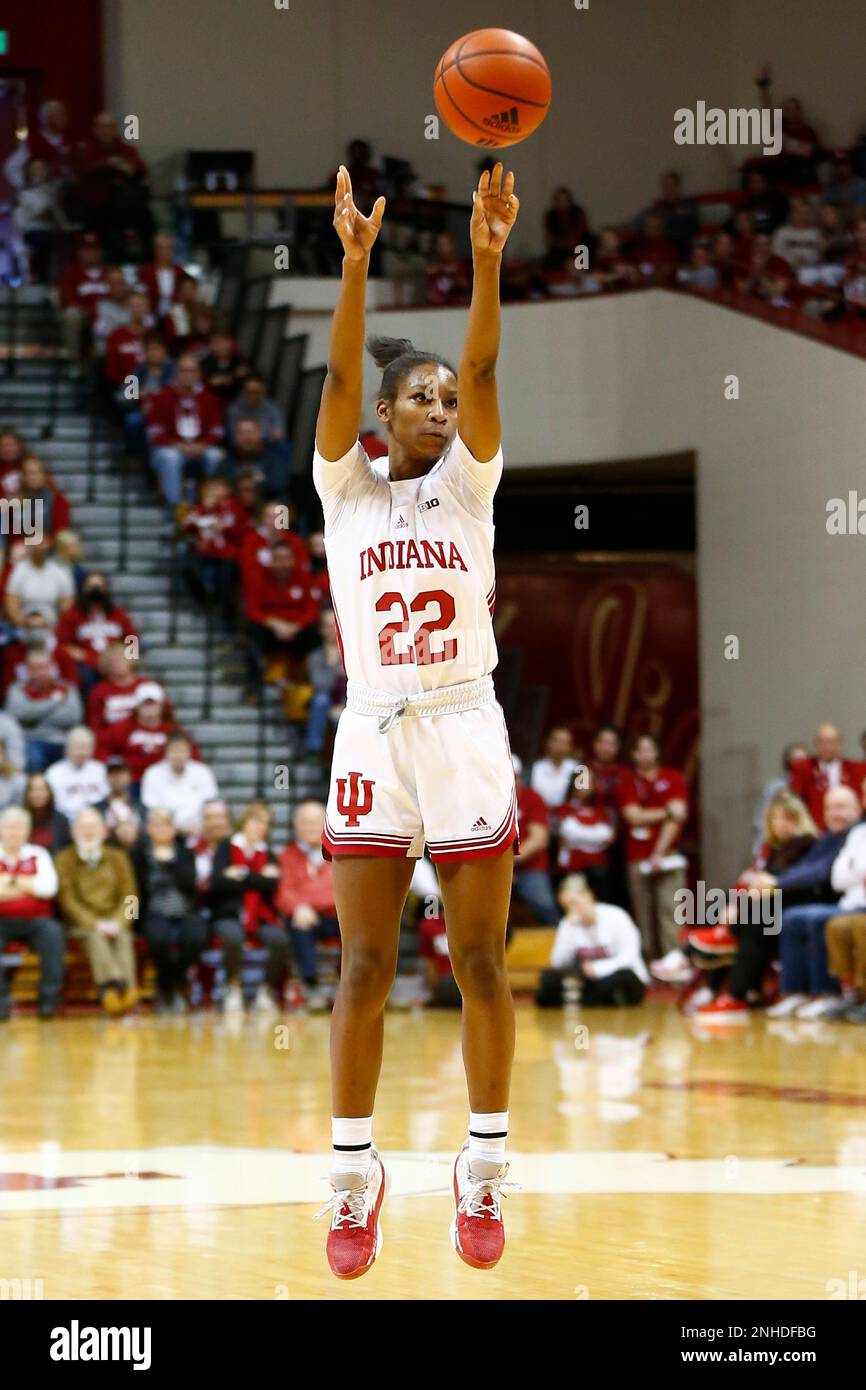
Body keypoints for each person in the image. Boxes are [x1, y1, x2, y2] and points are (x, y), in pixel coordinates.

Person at [311, 162, 521, 1278]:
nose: (439, 404)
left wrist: (486, 257)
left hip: (462, 725)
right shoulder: (344, 490)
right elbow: (342, 371)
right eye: (421, 395)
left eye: (447, 397)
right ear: (384, 415)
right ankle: (354, 1180)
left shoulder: (468, 491)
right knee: (362, 962)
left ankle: (481, 1167)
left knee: (480, 959)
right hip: (373, 729)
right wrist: (352, 268)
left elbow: (483, 359)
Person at [617, 733, 689, 979]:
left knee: (671, 909)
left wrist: (659, 851)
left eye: (650, 749)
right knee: (643, 913)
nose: (645, 755)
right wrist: (666, 811)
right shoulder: (626, 780)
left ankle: (676, 962)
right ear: (633, 754)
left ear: (657, 752)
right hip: (638, 856)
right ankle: (647, 965)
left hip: (668, 856)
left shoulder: (673, 778)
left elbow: (677, 817)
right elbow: (632, 816)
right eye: (640, 750)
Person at [55, 807, 138, 1015]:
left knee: (123, 937)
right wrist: (95, 923)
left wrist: (121, 922)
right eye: (83, 827)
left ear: (104, 831)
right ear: (73, 832)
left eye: (93, 827)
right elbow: (67, 900)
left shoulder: (118, 857)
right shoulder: (63, 859)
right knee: (96, 937)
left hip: (116, 919)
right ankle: (120, 985)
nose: (88, 832)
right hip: (82, 923)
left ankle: (113, 990)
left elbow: (132, 896)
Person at [209, 802, 283, 1015]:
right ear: (245, 821)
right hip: (229, 913)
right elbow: (218, 882)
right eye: (256, 820)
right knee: (233, 937)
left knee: (279, 940)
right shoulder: (226, 847)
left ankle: (265, 990)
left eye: (265, 823)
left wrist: (241, 874)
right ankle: (233, 987)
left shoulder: (268, 852)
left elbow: (273, 885)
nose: (260, 826)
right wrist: (258, 877)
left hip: (261, 915)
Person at [535, 873, 648, 1008]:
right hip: (587, 980)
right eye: (566, 907)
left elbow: (630, 956)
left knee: (620, 980)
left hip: (617, 975)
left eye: (574, 903)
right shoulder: (568, 924)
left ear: (588, 895)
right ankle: (588, 999)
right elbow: (557, 963)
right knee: (548, 981)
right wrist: (570, 931)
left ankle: (578, 999)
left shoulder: (616, 916)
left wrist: (598, 968)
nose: (572, 910)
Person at [131, 807, 205, 1013]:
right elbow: (133, 889)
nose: (162, 829)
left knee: (196, 937)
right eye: (157, 825)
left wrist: (168, 863)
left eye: (166, 825)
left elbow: (189, 883)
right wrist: (132, 919)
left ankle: (174, 981)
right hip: (153, 911)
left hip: (185, 911)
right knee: (159, 939)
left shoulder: (185, 853)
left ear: (174, 829)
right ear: (148, 829)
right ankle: (166, 986)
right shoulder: (138, 854)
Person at [0, 806, 64, 1020]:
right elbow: (38, 887)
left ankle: (48, 1002)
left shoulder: (39, 854)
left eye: (19, 828)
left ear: (27, 831)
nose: (13, 832)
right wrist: (29, 886)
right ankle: (1, 1004)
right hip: (1, 920)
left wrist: (12, 882)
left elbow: (49, 888)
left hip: (37, 921)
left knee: (54, 935)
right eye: (9, 827)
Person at [275, 801, 339, 1011]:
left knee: (363, 928)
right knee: (299, 927)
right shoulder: (286, 856)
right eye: (305, 822)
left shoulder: (338, 854)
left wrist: (312, 900)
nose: (310, 827)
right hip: (306, 918)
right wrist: (299, 907)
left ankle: (346, 985)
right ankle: (311, 986)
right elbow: (283, 891)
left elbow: (341, 890)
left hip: (338, 915)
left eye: (315, 822)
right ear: (296, 826)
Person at [145, 354, 225, 506]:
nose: (188, 375)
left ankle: (210, 504)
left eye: (192, 371)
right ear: (176, 373)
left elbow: (217, 430)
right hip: (170, 448)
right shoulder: (160, 397)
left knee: (216, 456)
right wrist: (179, 445)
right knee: (171, 458)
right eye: (184, 370)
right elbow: (154, 432)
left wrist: (203, 445)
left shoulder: (209, 399)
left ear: (199, 374)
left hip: (201, 446)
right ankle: (175, 507)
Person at [5, 647, 84, 772]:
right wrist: (54, 702)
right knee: (33, 759)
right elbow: (16, 714)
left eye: (43, 667)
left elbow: (73, 717)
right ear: (27, 670)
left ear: (53, 667)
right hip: (31, 740)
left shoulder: (68, 687)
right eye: (34, 668)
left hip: (62, 740)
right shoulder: (17, 689)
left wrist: (34, 716)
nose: (39, 672)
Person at [140, 733, 218, 835]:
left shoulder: (203, 772)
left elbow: (210, 803)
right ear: (166, 752)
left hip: (199, 830)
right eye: (174, 751)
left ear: (189, 752)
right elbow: (153, 808)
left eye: (181, 750)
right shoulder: (153, 773)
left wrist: (199, 826)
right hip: (165, 830)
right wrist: (174, 827)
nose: (178, 755)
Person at [511, 755, 558, 924]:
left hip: (529, 866)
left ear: (520, 777)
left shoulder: (532, 798)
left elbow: (539, 839)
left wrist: (510, 860)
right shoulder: (488, 801)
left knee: (543, 904)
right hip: (493, 867)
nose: (511, 781)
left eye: (514, 777)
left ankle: (555, 940)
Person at [45, 725, 110, 820]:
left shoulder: (101, 770)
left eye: (85, 747)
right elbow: (53, 805)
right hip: (67, 820)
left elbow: (107, 798)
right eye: (78, 747)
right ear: (67, 749)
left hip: (99, 819)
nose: (82, 752)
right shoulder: (54, 772)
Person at [530, 725, 580, 810]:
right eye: (556, 741)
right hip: (538, 813)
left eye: (564, 742)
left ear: (570, 747)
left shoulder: (578, 769)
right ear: (548, 742)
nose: (559, 746)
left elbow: (582, 799)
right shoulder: (536, 768)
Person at [24, 773, 71, 853]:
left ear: (49, 792)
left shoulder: (61, 820)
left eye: (41, 789)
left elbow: (66, 849)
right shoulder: (21, 819)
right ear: (27, 794)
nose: (37, 794)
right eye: (33, 790)